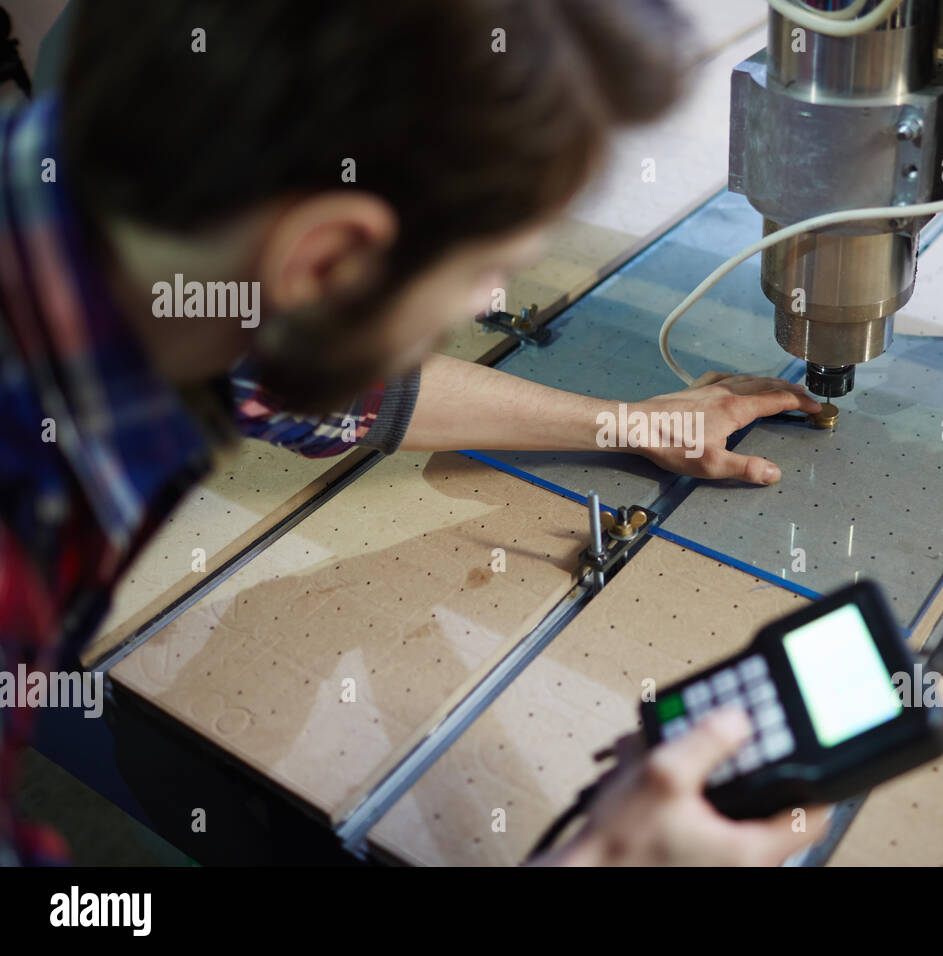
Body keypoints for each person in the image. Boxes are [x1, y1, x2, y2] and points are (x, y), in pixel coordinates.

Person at [0, 0, 828, 865]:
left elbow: (334, 390)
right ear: (323, 261)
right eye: (484, 269)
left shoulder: (134, 242)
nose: (485, 304)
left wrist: (627, 421)